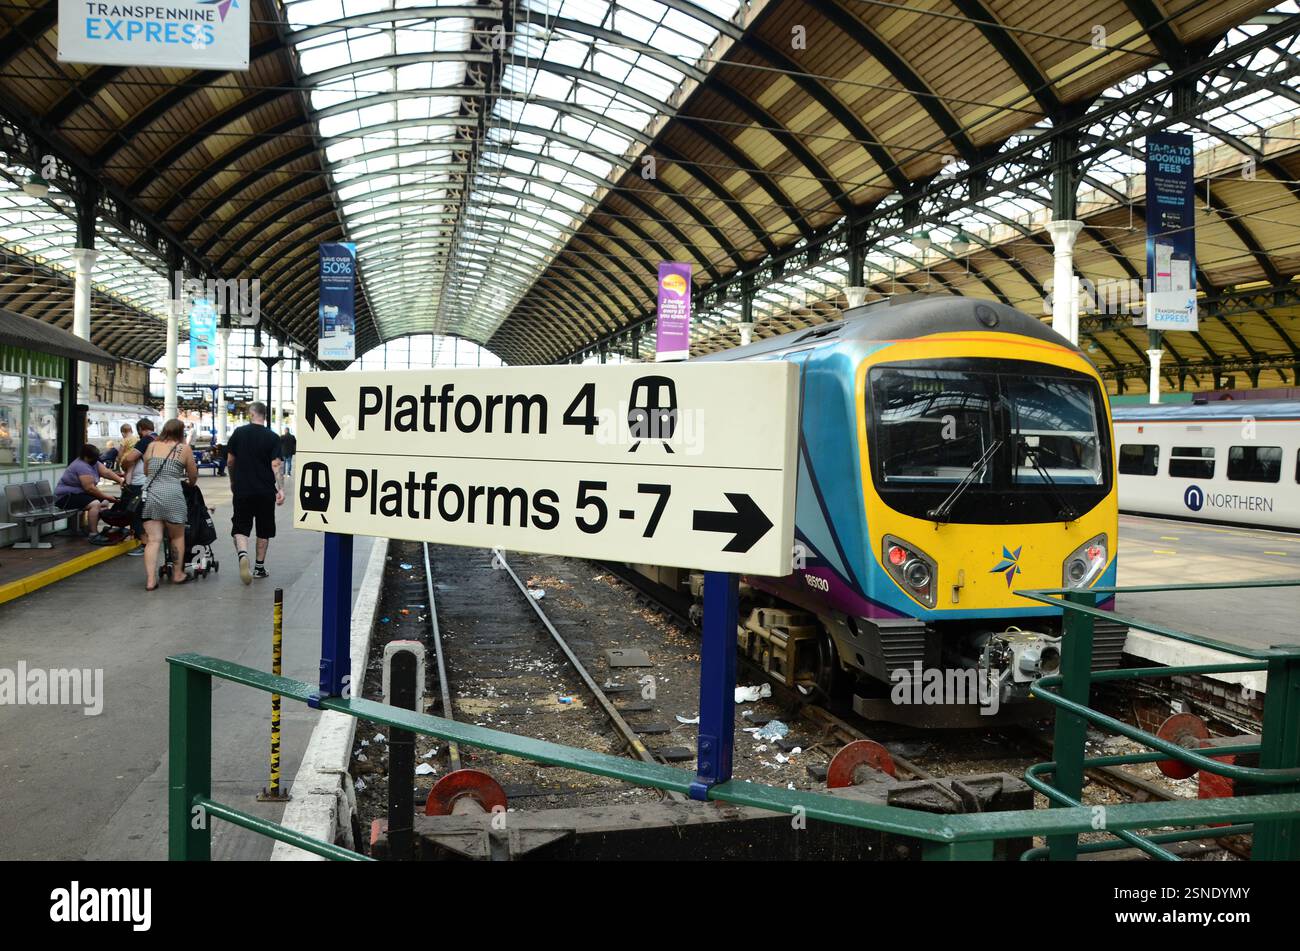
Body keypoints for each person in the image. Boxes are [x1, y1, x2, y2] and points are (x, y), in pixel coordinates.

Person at [226, 401, 284, 584]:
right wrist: (280, 488)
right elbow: (276, 465)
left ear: (251, 414)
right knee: (264, 528)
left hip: (243, 489)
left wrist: (233, 481)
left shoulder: (239, 433)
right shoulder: (273, 437)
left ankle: (243, 554)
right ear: (264, 415)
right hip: (265, 490)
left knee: (241, 526)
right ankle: (259, 567)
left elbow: (229, 461)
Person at [140, 418, 198, 590]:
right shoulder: (184, 448)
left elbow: (146, 471)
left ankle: (151, 581)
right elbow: (193, 475)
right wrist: (190, 483)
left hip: (151, 495)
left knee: (153, 540)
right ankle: (178, 574)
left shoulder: (151, 446)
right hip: (173, 495)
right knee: (177, 536)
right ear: (181, 432)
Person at [54, 443, 125, 544]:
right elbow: (90, 488)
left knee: (104, 502)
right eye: (93, 458)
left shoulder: (93, 461)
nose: (95, 460)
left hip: (78, 494)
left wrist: (120, 480)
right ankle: (93, 534)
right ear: (85, 456)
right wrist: (108, 497)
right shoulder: (80, 466)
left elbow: (106, 472)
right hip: (65, 497)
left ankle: (90, 527)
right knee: (95, 504)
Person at [117, 418, 157, 557]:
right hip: (155, 483)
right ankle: (153, 541)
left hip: (141, 484)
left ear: (141, 429)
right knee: (149, 515)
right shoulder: (159, 440)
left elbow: (129, 459)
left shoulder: (146, 440)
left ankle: (144, 544)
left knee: (135, 513)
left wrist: (123, 466)